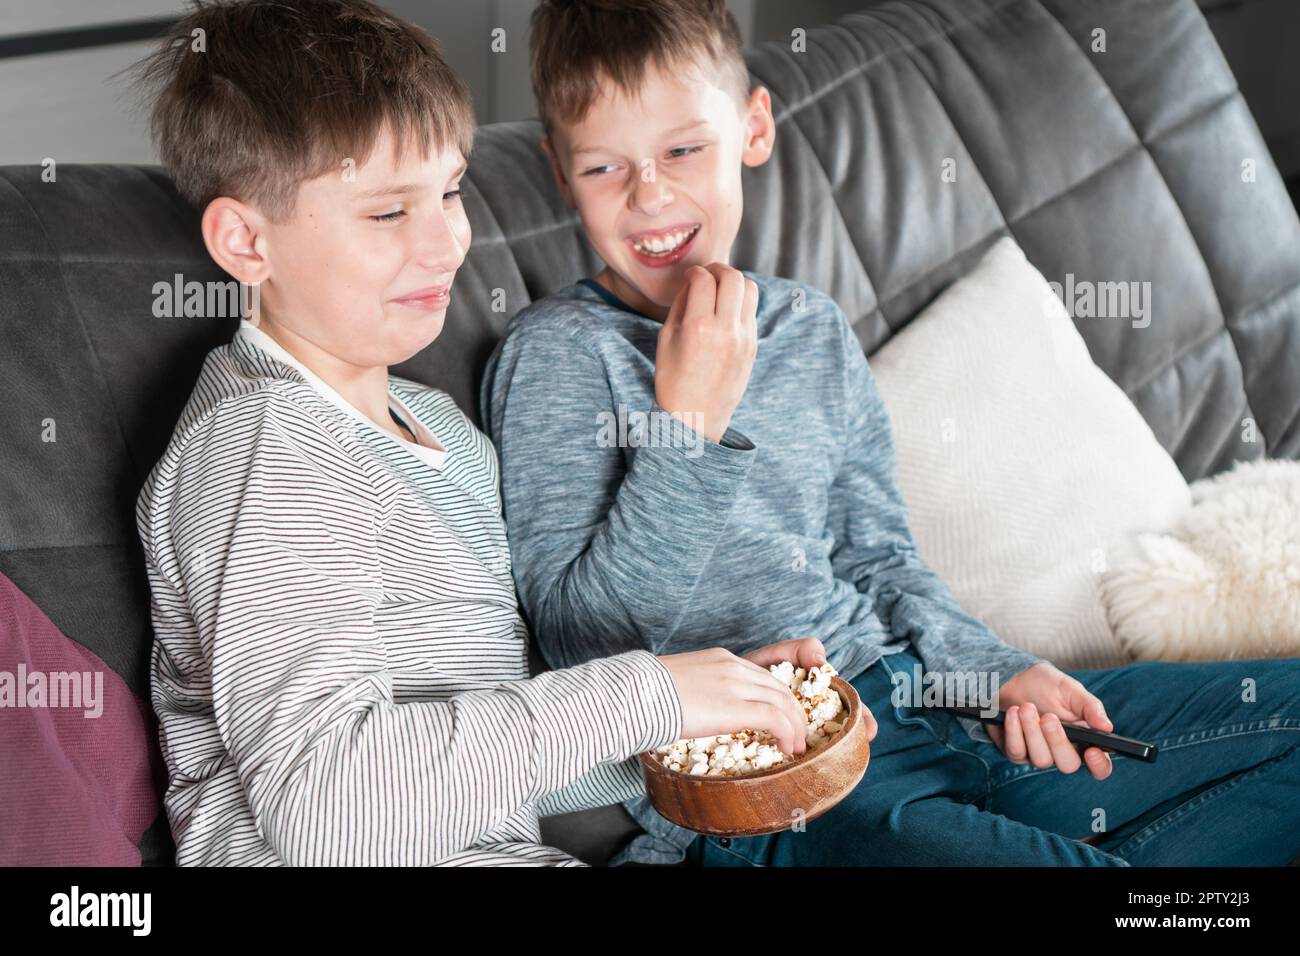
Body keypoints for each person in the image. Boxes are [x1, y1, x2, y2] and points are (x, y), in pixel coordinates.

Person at [480, 0, 1300, 866]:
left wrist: (992, 671)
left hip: (924, 705)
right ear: (561, 173)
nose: (650, 194)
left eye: (684, 150)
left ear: (753, 128)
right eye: (605, 166)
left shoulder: (809, 329)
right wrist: (688, 430)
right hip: (776, 786)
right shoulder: (557, 355)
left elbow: (880, 558)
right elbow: (582, 644)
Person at [131, 0, 847, 867]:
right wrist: (648, 697)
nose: (447, 246)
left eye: (450, 191)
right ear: (246, 241)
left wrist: (714, 707)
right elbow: (326, 811)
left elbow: (482, 759)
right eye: (389, 214)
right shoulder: (267, 445)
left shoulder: (437, 429)